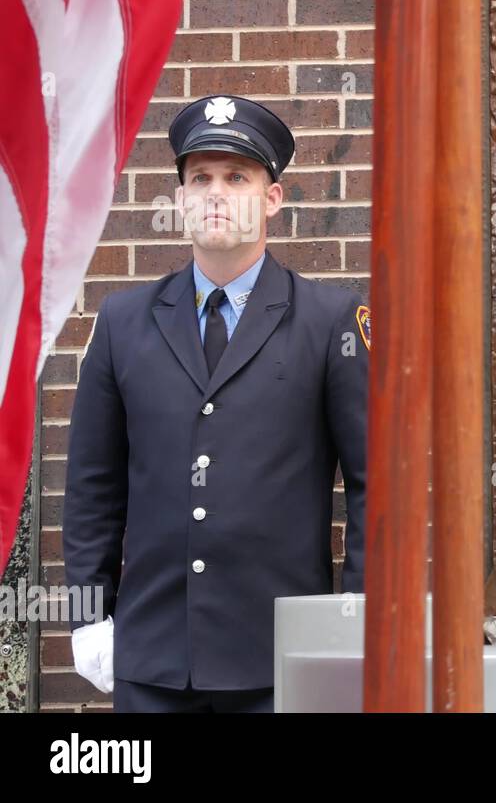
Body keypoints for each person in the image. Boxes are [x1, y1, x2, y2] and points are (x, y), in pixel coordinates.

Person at [62, 95, 370, 712]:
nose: (215, 194)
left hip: (279, 659)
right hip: (153, 661)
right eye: (199, 178)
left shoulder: (329, 321)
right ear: (180, 199)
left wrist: (357, 611)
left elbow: (375, 483)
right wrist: (89, 614)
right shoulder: (124, 322)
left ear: (272, 199)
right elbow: (93, 484)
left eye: (236, 177)